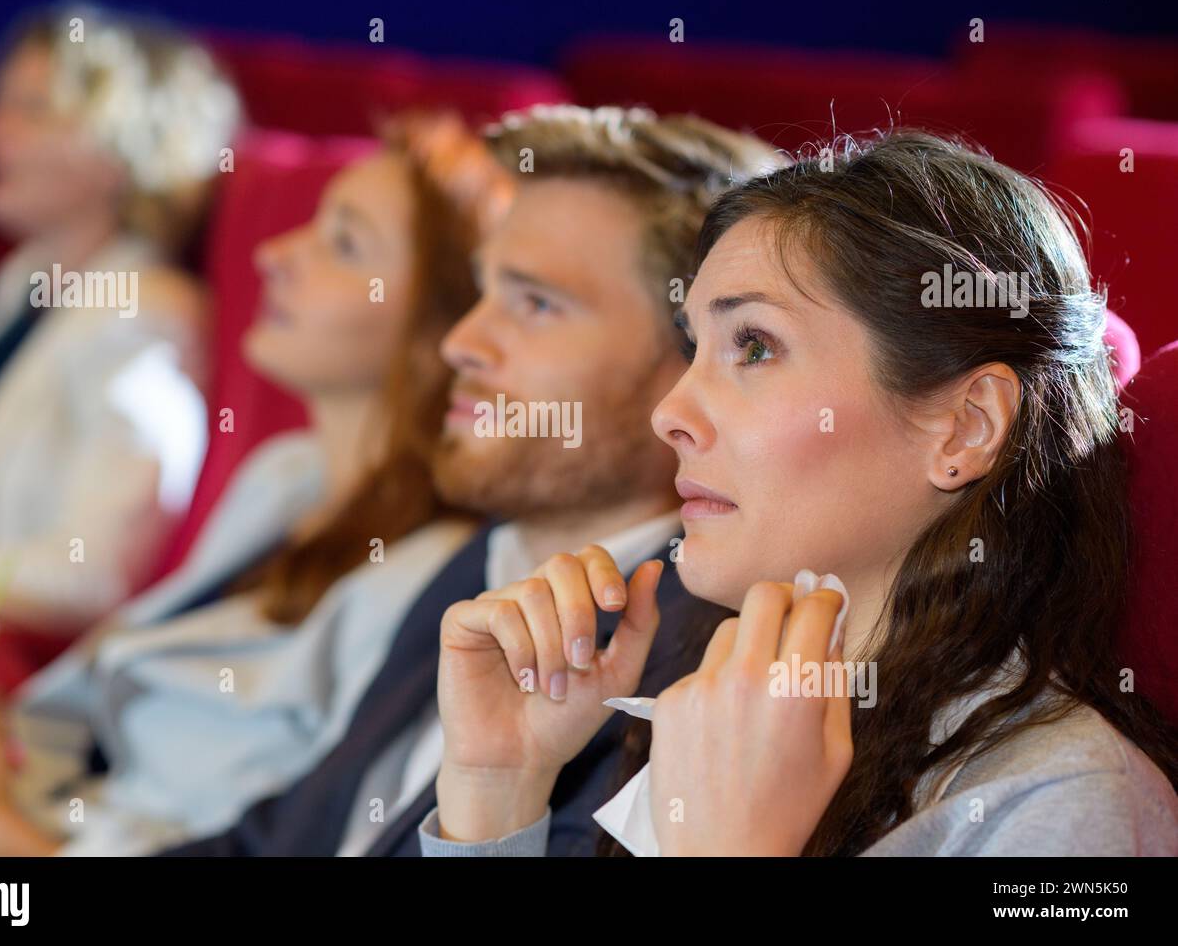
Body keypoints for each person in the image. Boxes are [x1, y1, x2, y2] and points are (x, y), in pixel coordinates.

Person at [420, 130, 1178, 857]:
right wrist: (499, 787)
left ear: (963, 428)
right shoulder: (724, 702)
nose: (670, 415)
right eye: (695, 349)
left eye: (754, 346)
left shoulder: (1063, 800)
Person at [0, 113, 509, 856]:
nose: (274, 255)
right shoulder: (285, 478)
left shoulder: (430, 583)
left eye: (344, 244)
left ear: (445, 328)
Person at [159, 105, 781, 857]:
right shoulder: (491, 554)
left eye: (537, 304)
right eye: (485, 292)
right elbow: (277, 842)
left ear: (691, 365)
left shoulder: (694, 676)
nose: (462, 343)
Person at [0, 5, 240, 627]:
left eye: (34, 110)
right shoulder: (24, 286)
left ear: (121, 151)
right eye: (1, 104)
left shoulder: (144, 317)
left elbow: (92, 574)